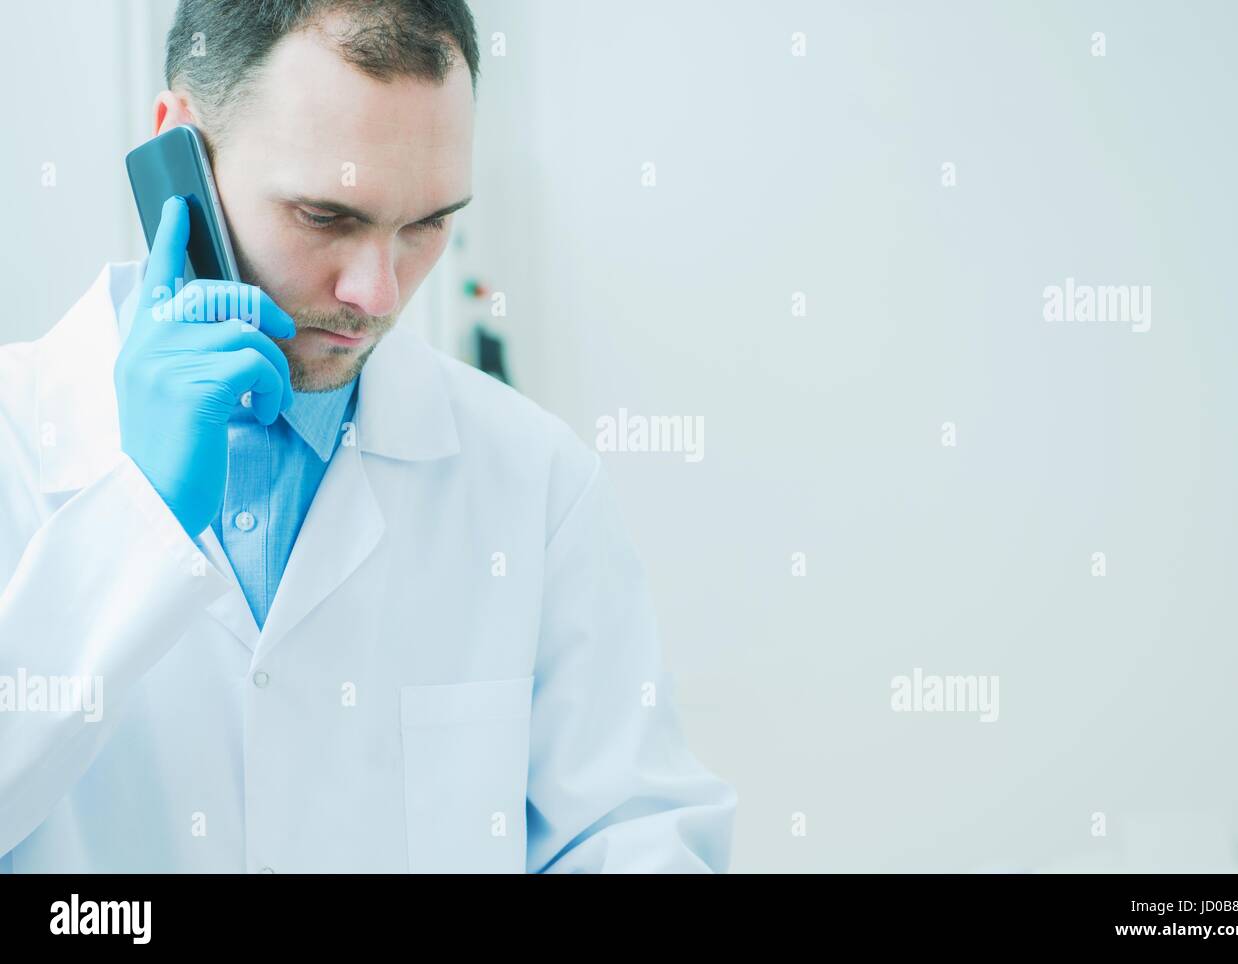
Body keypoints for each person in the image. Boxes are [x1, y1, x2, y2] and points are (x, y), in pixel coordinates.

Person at [0, 0, 735, 873]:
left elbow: (632, 836)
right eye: (326, 216)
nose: (378, 295)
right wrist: (136, 520)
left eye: (426, 222)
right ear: (180, 152)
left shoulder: (536, 481)